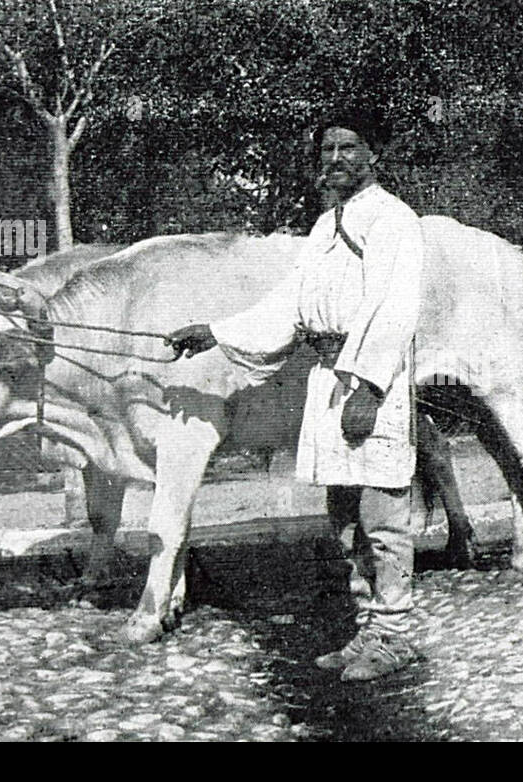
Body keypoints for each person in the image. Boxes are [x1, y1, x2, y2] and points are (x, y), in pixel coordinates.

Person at [167, 108, 423, 682]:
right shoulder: (325, 227)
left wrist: (370, 387)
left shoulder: (393, 221)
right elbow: (289, 303)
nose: (335, 159)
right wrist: (217, 331)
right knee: (345, 517)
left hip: (369, 384)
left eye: (349, 148)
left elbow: (395, 309)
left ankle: (395, 634)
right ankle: (367, 628)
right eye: (327, 149)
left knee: (382, 516)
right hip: (327, 378)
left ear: (373, 156)